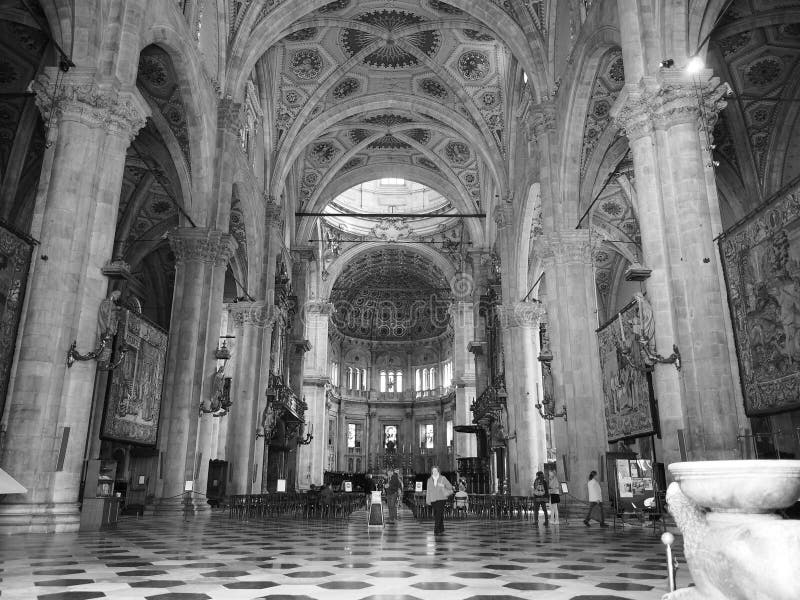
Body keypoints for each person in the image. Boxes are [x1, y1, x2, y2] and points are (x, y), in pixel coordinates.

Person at [425, 465, 453, 535]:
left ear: (438, 471)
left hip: (441, 498)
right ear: (431, 471)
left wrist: (443, 485)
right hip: (433, 499)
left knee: (438, 514)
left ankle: (436, 529)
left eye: (436, 470)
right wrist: (428, 500)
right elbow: (428, 491)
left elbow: (450, 486)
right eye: (433, 471)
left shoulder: (443, 478)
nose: (434, 472)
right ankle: (441, 527)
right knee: (437, 514)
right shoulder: (429, 480)